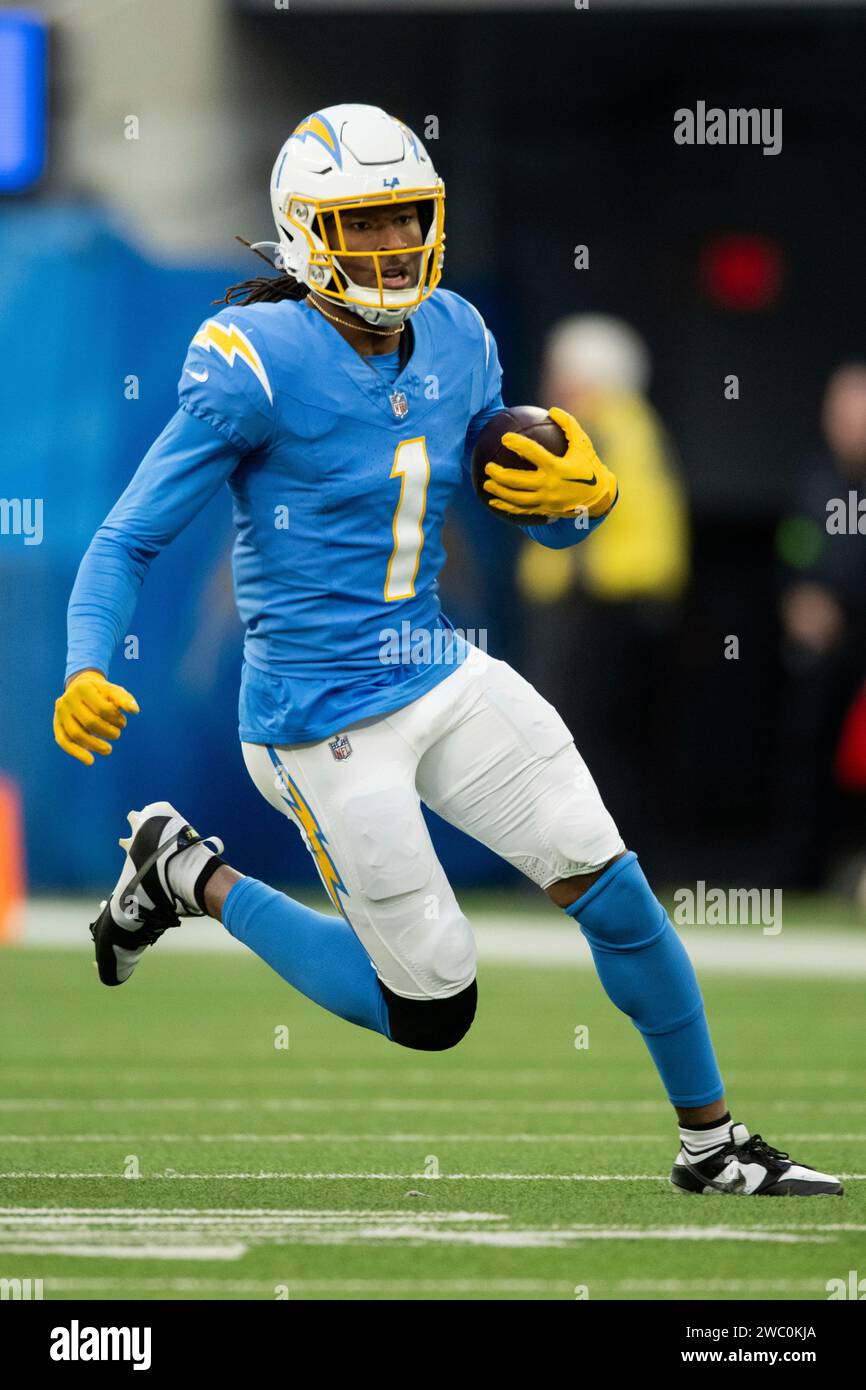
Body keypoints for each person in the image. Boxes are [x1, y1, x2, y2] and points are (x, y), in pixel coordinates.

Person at [54, 105, 840, 1197]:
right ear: (301, 233)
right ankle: (186, 871)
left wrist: (587, 499)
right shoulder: (253, 361)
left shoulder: (461, 335)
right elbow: (128, 534)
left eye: (403, 220)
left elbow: (527, 508)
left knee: (612, 888)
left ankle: (710, 1142)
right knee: (434, 1008)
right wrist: (87, 661)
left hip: (440, 668)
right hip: (318, 718)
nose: (387, 248)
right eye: (360, 225)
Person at [516, 315, 689, 848]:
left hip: (594, 606)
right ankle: (619, 858)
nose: (549, 382)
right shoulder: (640, 425)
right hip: (632, 605)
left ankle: (583, 861)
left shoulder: (594, 428)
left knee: (574, 741)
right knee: (618, 742)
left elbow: (581, 519)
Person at [775, 363, 866, 886]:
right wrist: (799, 595)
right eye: (842, 412)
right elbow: (794, 545)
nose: (850, 424)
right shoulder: (813, 481)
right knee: (807, 757)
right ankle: (804, 875)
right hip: (822, 649)